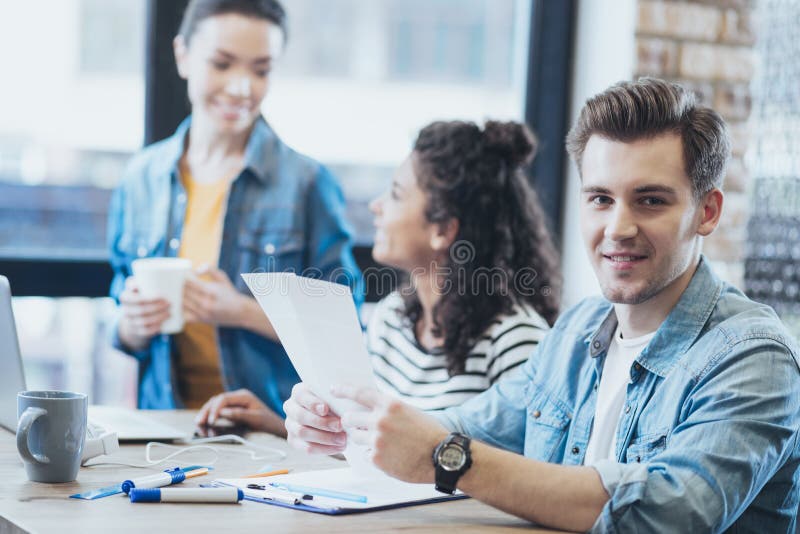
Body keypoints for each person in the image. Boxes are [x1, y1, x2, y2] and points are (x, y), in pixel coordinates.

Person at [283, 78, 800, 532]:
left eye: (650, 200)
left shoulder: (754, 359)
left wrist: (447, 459)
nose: (618, 228)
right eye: (600, 198)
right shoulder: (576, 333)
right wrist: (352, 425)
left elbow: (668, 513)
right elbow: (465, 425)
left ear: (706, 211)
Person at [195, 120, 561, 427]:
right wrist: (271, 423)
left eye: (397, 195)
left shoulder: (517, 342)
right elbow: (375, 452)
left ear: (443, 230)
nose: (376, 206)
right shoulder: (392, 319)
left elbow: (513, 478)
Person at [107, 0, 362, 433]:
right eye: (222, 64)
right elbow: (122, 316)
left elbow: (345, 330)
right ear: (182, 55)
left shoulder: (306, 184)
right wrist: (131, 324)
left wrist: (240, 311)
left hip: (267, 438)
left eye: (261, 70)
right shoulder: (141, 179)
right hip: (164, 432)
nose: (242, 88)